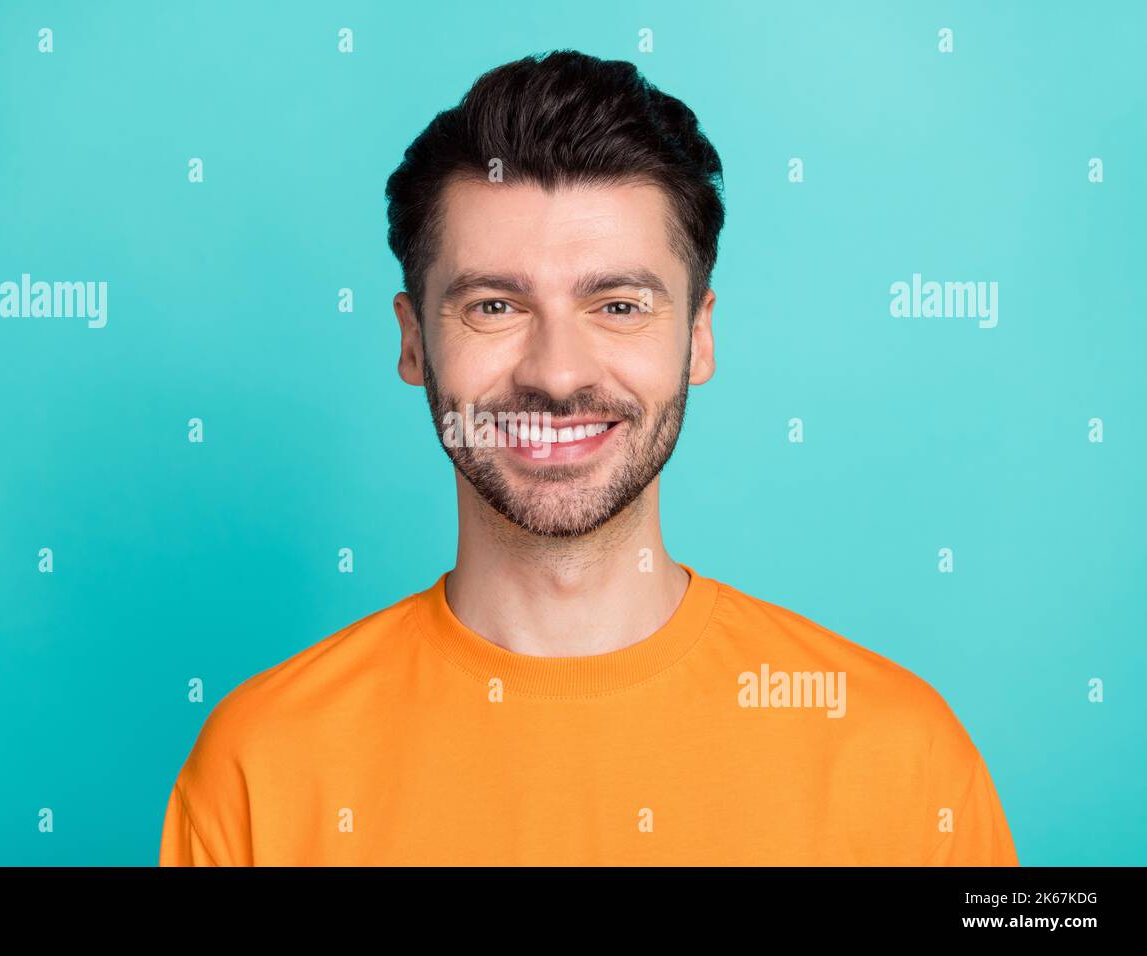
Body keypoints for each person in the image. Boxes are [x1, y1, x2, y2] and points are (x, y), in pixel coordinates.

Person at [159, 50, 1019, 866]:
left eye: (618, 304)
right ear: (414, 342)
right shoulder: (260, 766)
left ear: (700, 336)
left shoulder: (898, 756)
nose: (557, 374)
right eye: (494, 305)